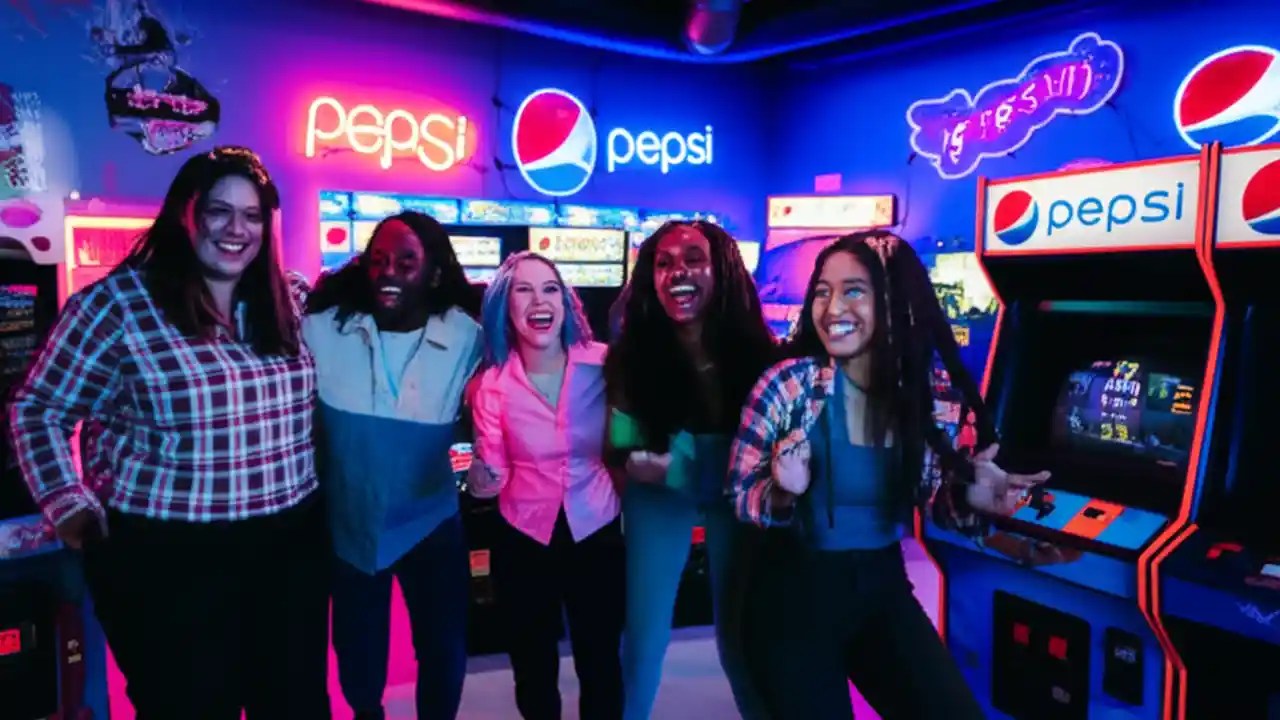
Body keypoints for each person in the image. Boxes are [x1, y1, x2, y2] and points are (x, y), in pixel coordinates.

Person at [8, 146, 330, 719]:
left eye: (253, 215)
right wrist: (68, 504)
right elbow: (37, 408)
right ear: (186, 214)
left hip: (288, 546)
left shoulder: (287, 299)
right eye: (219, 211)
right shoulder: (116, 306)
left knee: (296, 704)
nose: (237, 229)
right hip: (171, 558)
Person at [729, 231, 1050, 719]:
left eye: (853, 290)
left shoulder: (929, 394)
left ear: (895, 301)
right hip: (792, 596)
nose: (833, 306)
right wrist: (781, 494)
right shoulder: (790, 384)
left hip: (882, 586)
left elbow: (938, 504)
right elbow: (739, 494)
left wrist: (974, 501)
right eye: (822, 290)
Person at [304, 211, 482, 720]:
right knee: (358, 653)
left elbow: (488, 409)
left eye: (406, 262)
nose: (388, 272)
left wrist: (469, 465)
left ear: (434, 273)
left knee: (444, 646)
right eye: (378, 260)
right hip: (351, 519)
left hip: (432, 519)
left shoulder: (468, 337)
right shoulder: (321, 330)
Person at [604, 221, 776, 720]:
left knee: (740, 634)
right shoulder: (631, 355)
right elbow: (623, 446)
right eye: (664, 263)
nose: (678, 272)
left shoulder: (758, 353)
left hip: (733, 493)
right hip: (659, 495)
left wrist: (693, 467)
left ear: (721, 269)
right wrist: (647, 463)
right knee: (643, 633)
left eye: (693, 259)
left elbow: (765, 459)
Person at [467, 251, 625, 720]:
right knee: (533, 667)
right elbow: (488, 480)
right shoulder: (492, 385)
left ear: (566, 302)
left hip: (596, 526)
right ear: (505, 307)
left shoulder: (604, 364)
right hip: (524, 535)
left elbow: (636, 426)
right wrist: (481, 480)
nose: (540, 300)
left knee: (600, 661)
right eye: (525, 289)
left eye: (550, 288)